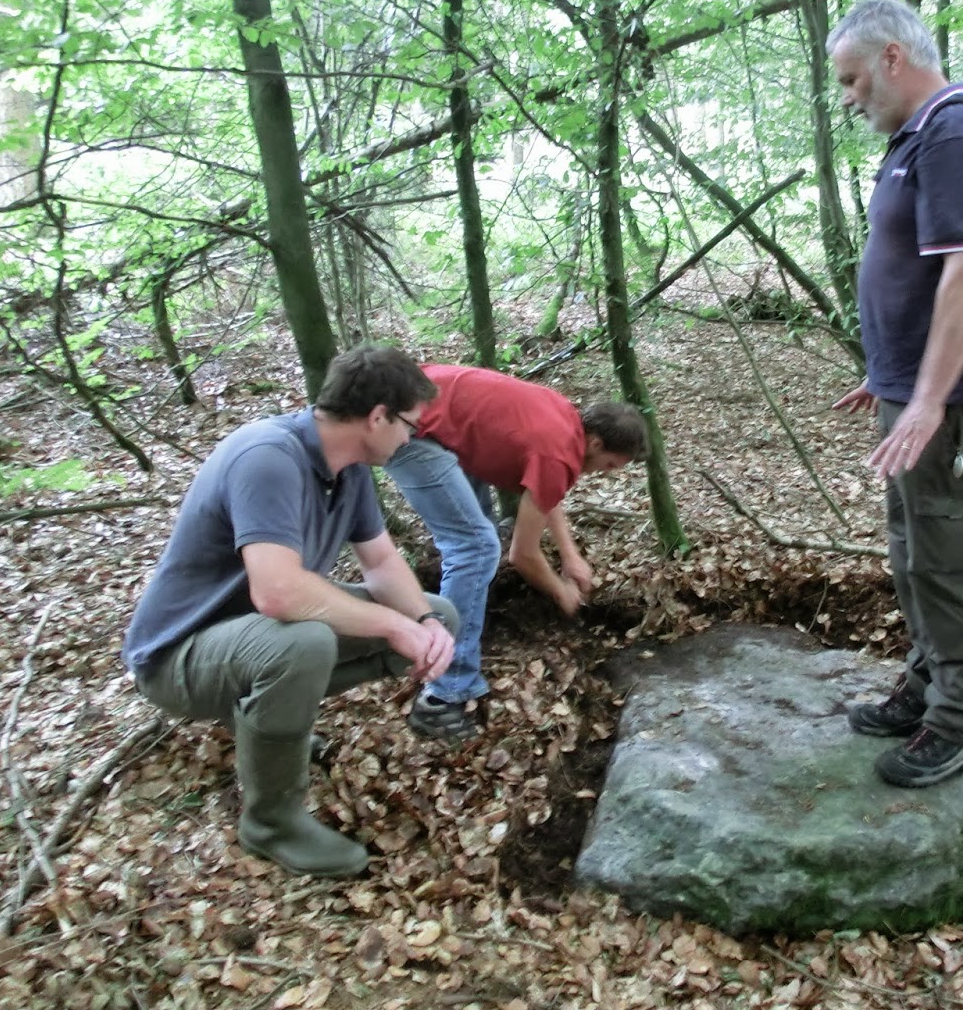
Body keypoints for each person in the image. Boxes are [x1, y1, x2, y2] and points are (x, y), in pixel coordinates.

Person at [122, 346, 459, 877]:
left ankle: (264, 717)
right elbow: (278, 594)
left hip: (250, 639)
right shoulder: (268, 457)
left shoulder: (349, 470)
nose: (411, 438)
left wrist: (424, 623)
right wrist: (392, 625)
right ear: (378, 417)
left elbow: (380, 562)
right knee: (303, 642)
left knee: (439, 613)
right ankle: (271, 821)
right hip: (178, 656)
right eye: (410, 425)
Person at [828, 0, 963, 788]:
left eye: (852, 79)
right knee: (912, 552)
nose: (848, 97)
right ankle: (928, 682)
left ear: (893, 58)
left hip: (951, 401)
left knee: (946, 560)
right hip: (911, 392)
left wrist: (931, 396)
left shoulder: (957, 133)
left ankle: (962, 723)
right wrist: (890, 377)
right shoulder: (916, 139)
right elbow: (915, 270)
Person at [385, 364, 649, 740]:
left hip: (425, 410)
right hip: (404, 424)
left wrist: (570, 555)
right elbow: (522, 556)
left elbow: (546, 490)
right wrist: (560, 591)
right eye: (609, 465)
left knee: (480, 533)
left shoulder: (566, 419)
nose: (606, 473)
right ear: (595, 444)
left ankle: (463, 624)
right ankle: (444, 693)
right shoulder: (558, 453)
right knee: (476, 548)